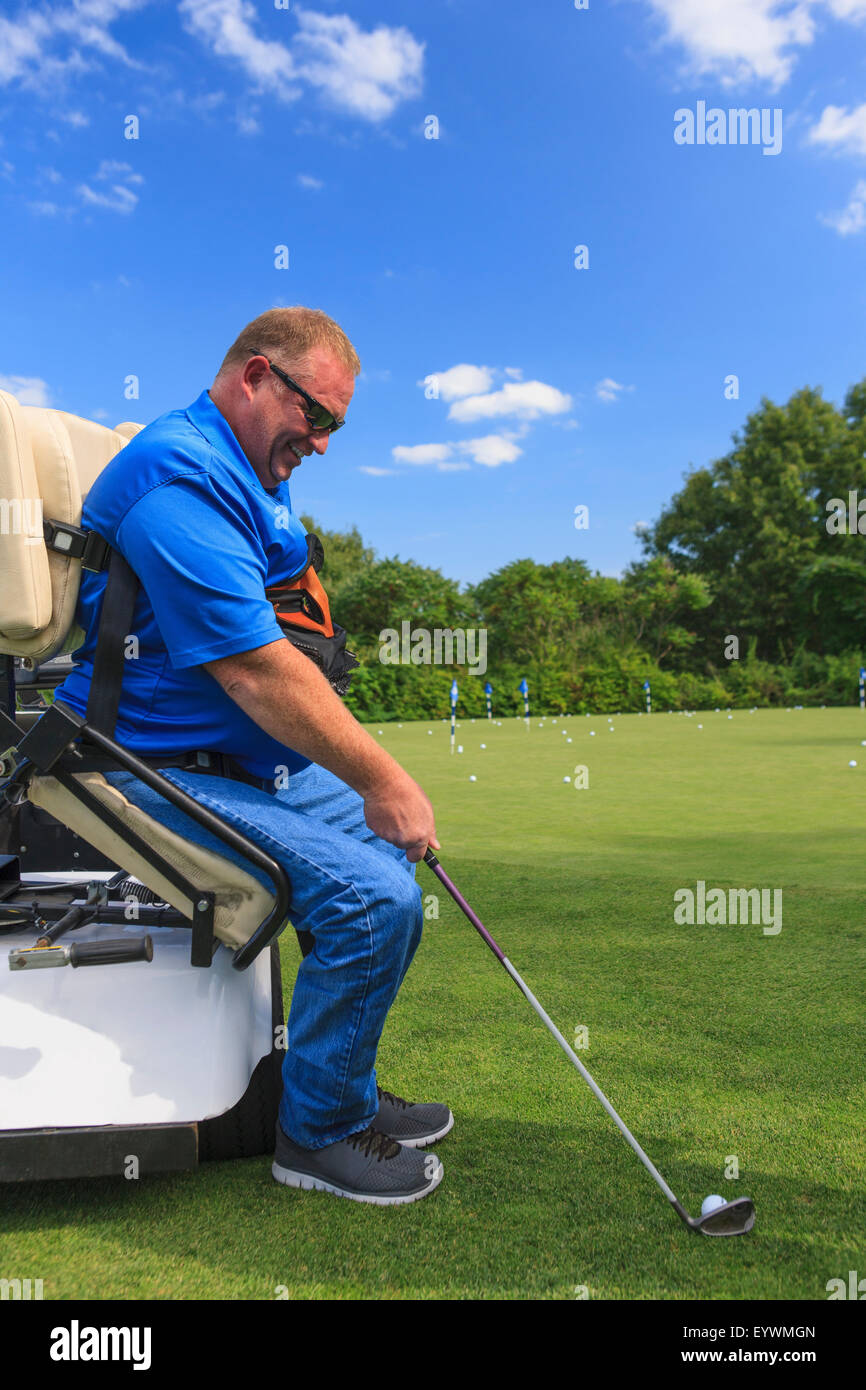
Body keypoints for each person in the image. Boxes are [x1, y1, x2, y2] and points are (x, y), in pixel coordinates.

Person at [54, 306, 451, 1205]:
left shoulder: (244, 467)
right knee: (374, 895)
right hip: (145, 759)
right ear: (256, 377)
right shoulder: (178, 478)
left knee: (391, 870)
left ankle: (332, 1087)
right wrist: (384, 778)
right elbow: (255, 672)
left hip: (227, 751)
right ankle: (315, 1137)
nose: (323, 442)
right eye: (318, 416)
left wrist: (377, 793)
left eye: (336, 425)